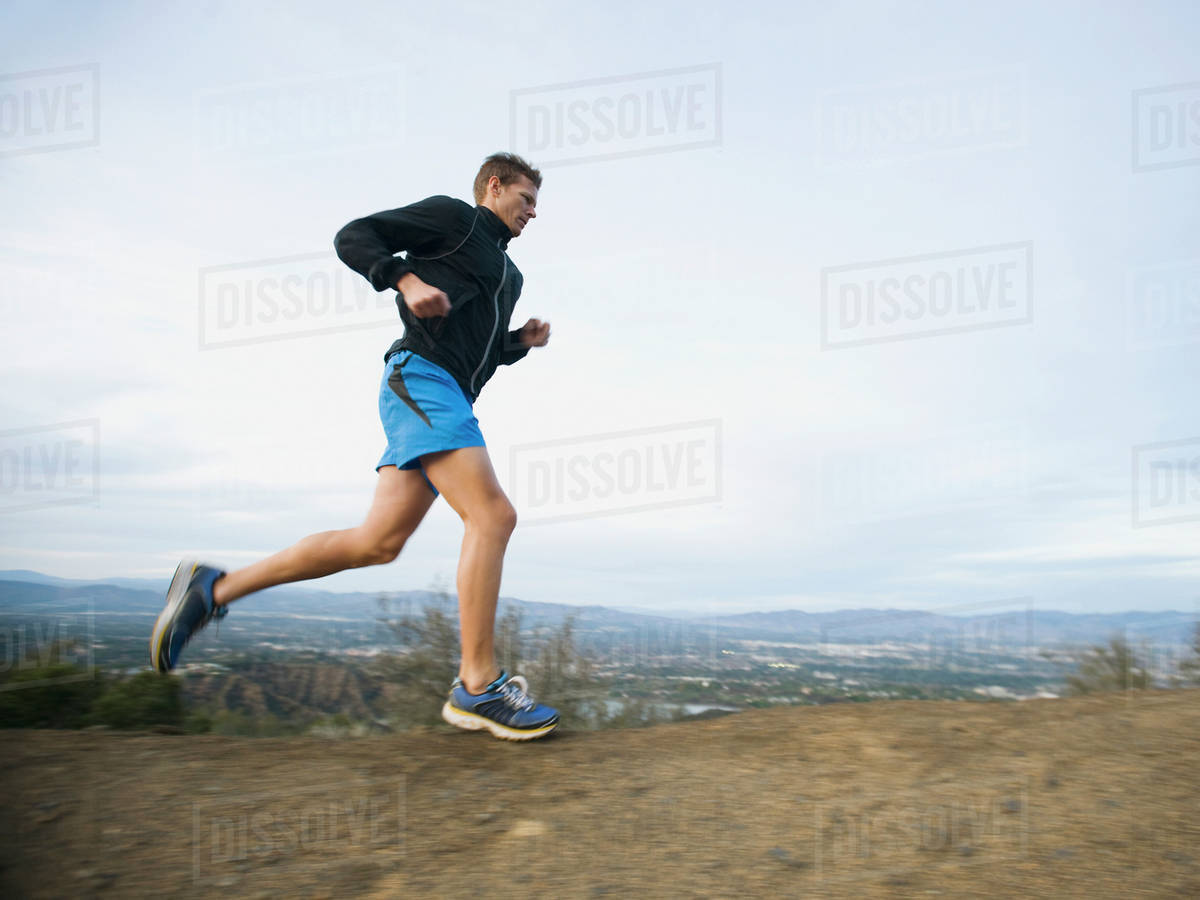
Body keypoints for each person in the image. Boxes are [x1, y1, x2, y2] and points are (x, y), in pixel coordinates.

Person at [150, 152, 559, 741]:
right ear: (494, 187)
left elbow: (484, 347)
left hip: (448, 396)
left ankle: (212, 588)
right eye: (526, 199)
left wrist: (519, 341)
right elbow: (354, 237)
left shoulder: (508, 275)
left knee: (377, 543)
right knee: (493, 515)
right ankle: (476, 685)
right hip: (422, 379)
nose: (533, 213)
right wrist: (404, 277)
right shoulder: (454, 220)